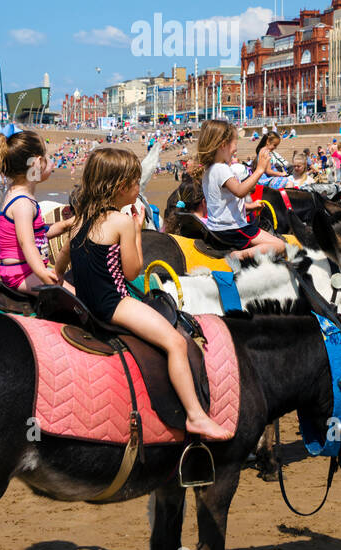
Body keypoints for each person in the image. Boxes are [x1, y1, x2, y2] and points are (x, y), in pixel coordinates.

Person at [56, 145, 229, 442]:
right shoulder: (121, 221)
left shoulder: (80, 221)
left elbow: (61, 263)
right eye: (136, 183)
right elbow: (133, 271)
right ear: (122, 187)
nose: (138, 187)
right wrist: (136, 230)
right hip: (114, 305)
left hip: (85, 304)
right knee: (175, 342)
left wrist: (64, 282)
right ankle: (196, 416)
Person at [0, 131, 74, 292]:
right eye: (47, 157)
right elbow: (27, 243)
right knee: (77, 299)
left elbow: (38, 233)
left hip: (27, 269)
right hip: (21, 274)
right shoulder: (22, 203)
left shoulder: (19, 194)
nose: (51, 161)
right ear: (37, 163)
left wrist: (67, 224)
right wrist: (42, 273)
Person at [197, 119, 286, 259]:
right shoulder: (221, 169)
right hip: (233, 230)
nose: (236, 149)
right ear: (223, 145)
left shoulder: (209, 169)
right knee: (280, 245)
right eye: (235, 144)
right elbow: (240, 191)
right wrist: (260, 170)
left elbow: (224, 204)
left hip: (217, 229)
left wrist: (250, 206)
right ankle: (239, 255)